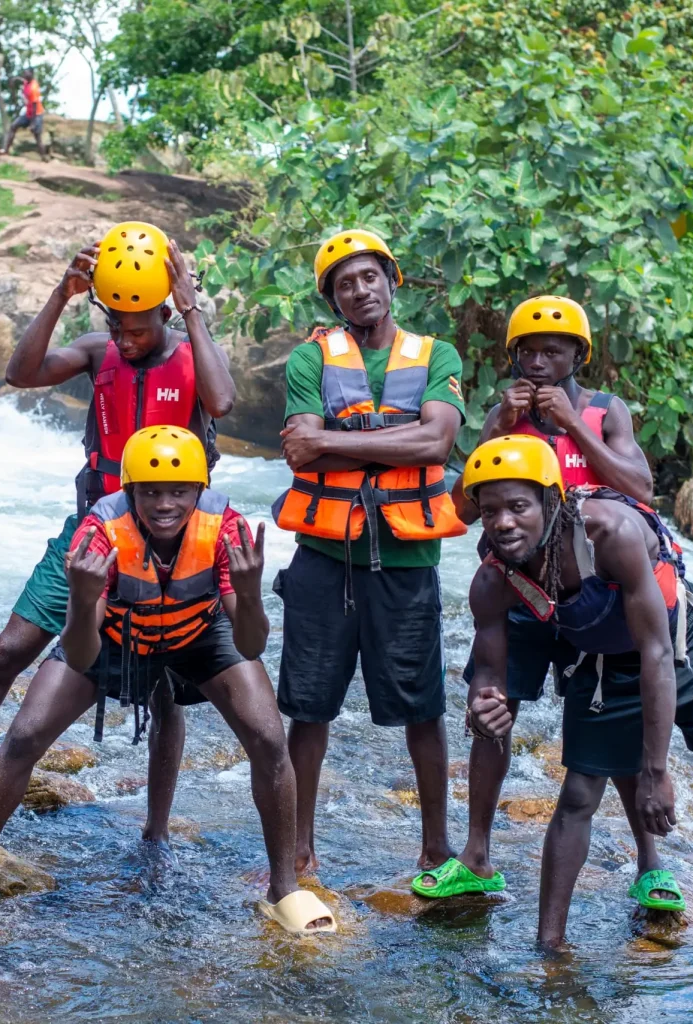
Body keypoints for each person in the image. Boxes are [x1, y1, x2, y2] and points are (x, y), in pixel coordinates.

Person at [0, 222, 235, 851]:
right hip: (94, 526)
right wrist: (63, 292)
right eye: (114, 321)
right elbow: (21, 370)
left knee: (166, 684)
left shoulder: (191, 350)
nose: (124, 335)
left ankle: (157, 828)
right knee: (9, 648)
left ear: (166, 310)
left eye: (136, 325)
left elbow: (220, 401)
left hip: (174, 536)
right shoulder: (97, 350)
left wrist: (192, 308)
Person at [0, 427, 337, 936]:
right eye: (150, 492)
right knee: (24, 735)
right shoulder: (97, 533)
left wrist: (249, 591)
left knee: (267, 736)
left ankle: (283, 889)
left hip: (200, 633)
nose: (165, 504)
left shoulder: (228, 529)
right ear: (129, 491)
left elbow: (252, 644)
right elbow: (83, 653)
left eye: (179, 492)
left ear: (199, 490)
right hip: (114, 634)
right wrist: (83, 600)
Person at [420, 296, 671, 907]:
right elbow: (461, 506)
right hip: (520, 585)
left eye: (552, 350)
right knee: (492, 704)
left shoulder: (606, 411)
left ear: (577, 355)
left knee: (609, 717)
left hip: (596, 591)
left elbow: (642, 488)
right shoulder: (504, 416)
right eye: (527, 351)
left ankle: (651, 862)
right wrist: (496, 428)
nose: (538, 361)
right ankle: (477, 857)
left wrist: (575, 423)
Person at [459, 434, 693, 947]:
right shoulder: (492, 579)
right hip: (600, 659)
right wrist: (481, 708)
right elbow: (490, 674)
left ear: (551, 501)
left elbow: (658, 655)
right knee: (579, 793)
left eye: (518, 506)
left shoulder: (609, 533)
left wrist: (656, 770)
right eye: (490, 511)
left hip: (679, 646)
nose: (504, 522)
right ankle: (549, 950)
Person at [272, 229, 468, 878]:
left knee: (424, 711)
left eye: (369, 277)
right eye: (345, 283)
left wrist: (341, 439)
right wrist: (397, 438)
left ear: (391, 281)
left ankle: (437, 849)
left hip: (407, 562)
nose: (360, 290)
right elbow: (300, 448)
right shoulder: (310, 361)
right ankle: (298, 852)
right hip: (325, 559)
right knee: (309, 708)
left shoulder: (438, 355)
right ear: (333, 299)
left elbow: (437, 445)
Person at [1, 68, 45, 157]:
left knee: (37, 136)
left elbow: (34, 106)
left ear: (32, 74)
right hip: (28, 113)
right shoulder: (26, 82)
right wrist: (15, 79)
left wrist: (32, 123)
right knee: (13, 126)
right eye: (24, 74)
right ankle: (5, 150)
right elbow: (22, 81)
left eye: (27, 74)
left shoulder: (33, 88)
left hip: (36, 114)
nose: (25, 76)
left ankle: (44, 157)